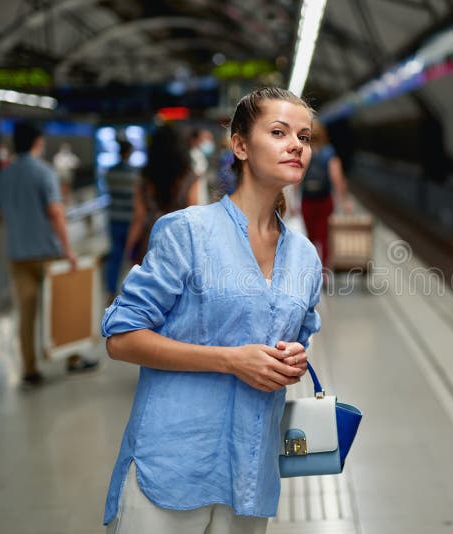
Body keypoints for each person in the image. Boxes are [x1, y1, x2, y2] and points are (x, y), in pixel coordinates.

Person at [101, 87, 322, 533]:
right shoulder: (188, 233)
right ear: (239, 145)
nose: (296, 144)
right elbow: (121, 338)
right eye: (278, 132)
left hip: (250, 472)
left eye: (304, 135)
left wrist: (292, 360)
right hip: (173, 465)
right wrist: (230, 360)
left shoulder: (305, 257)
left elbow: (298, 340)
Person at [0, 121, 98, 387]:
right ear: (37, 142)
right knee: (62, 305)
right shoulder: (43, 172)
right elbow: (56, 213)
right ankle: (72, 359)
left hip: (17, 254)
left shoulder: (4, 175)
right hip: (46, 253)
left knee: (26, 313)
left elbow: (2, 213)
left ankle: (30, 369)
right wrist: (68, 250)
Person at [124, 124, 198, 265]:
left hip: (151, 245)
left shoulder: (145, 177)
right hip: (180, 247)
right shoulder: (189, 177)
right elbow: (193, 216)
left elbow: (138, 219)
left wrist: (129, 249)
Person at [298, 120, 352, 269]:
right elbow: (337, 177)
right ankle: (324, 270)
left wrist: (291, 201)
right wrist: (344, 200)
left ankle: (311, 268)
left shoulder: (303, 151)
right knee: (324, 237)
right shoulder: (329, 152)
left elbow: (298, 176)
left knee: (311, 236)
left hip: (307, 200)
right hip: (324, 200)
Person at [104, 139, 139, 301]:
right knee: (132, 257)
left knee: (115, 257)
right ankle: (132, 293)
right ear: (129, 153)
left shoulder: (110, 173)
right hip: (130, 221)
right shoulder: (134, 174)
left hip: (114, 220)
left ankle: (111, 292)